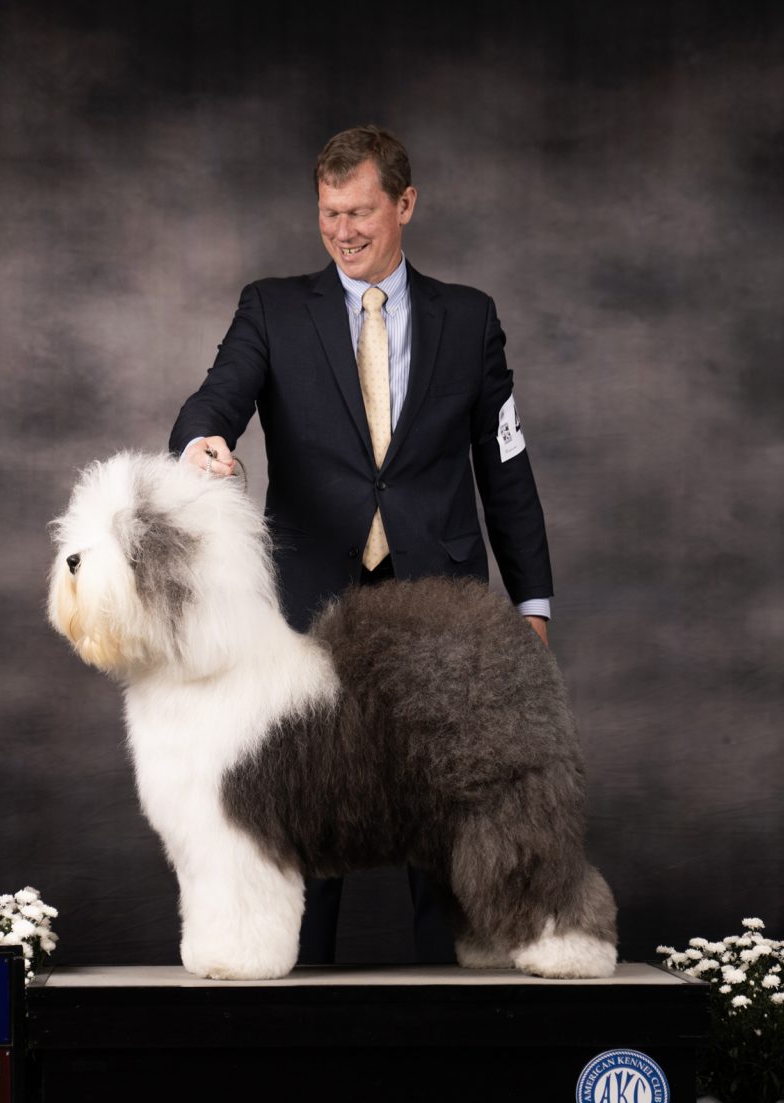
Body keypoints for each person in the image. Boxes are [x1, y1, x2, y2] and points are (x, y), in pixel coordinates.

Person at [169, 126, 554, 965]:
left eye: (361, 212)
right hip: (312, 610)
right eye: (328, 213)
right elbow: (213, 399)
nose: (343, 230)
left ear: (405, 205)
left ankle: (448, 1017)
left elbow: (507, 471)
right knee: (308, 820)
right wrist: (201, 444)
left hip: (440, 616)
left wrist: (531, 604)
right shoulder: (271, 309)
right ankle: (298, 1027)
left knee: (444, 825)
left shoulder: (470, 319)